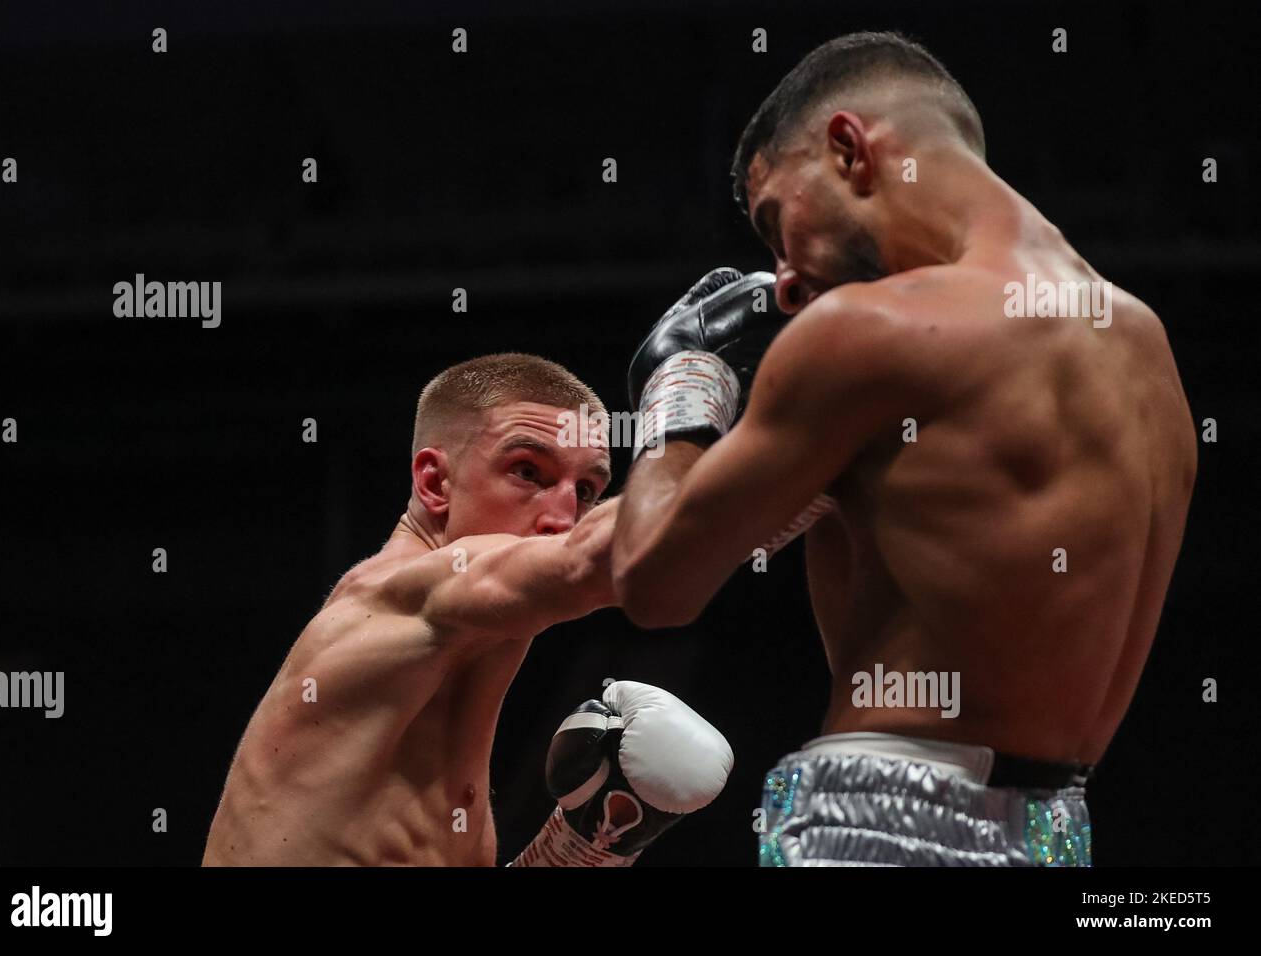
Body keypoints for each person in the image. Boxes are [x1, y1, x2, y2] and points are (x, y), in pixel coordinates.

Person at [612, 32, 1196, 866]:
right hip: (1054, 831)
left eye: (777, 222)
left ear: (849, 149)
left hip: (883, 818)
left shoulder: (865, 335)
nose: (778, 279)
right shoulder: (1148, 355)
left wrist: (685, 380)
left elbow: (653, 578)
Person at [204, 353, 731, 866]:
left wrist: (587, 845)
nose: (563, 517)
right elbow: (602, 557)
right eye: (528, 471)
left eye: (587, 490)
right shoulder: (394, 594)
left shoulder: (454, 658)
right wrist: (692, 405)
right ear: (435, 483)